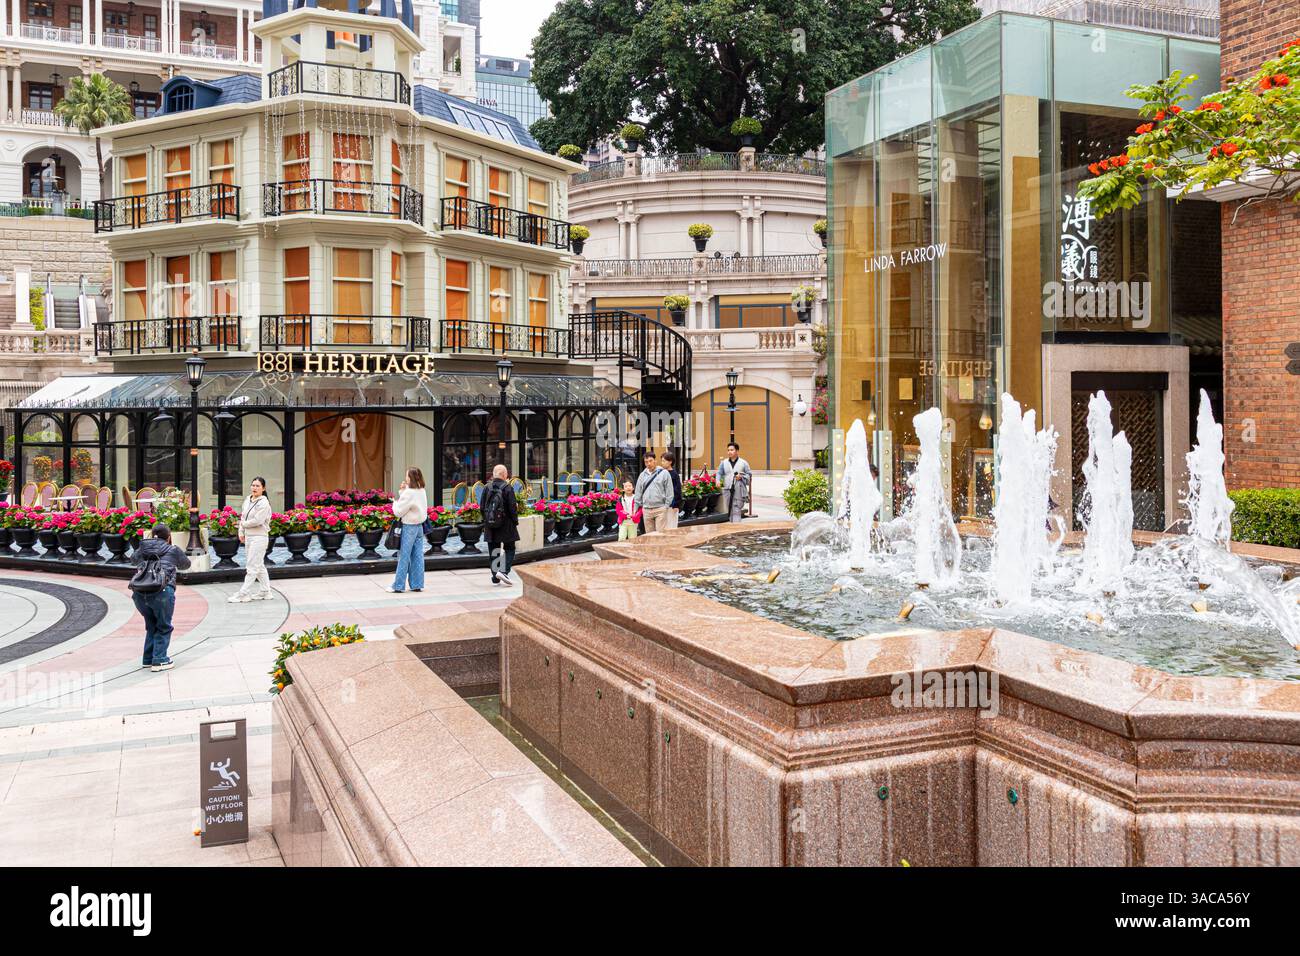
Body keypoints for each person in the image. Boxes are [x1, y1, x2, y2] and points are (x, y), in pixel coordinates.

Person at [132, 523, 191, 672]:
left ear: (152, 535)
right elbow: (186, 565)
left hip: (139, 593)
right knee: (164, 626)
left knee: (151, 625)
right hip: (162, 591)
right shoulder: (172, 549)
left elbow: (133, 560)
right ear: (169, 536)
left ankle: (148, 659)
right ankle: (159, 660)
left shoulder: (142, 549)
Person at [229, 476, 273, 603]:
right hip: (249, 536)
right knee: (258, 565)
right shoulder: (248, 499)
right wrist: (241, 531)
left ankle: (244, 593)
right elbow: (243, 517)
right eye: (253, 485)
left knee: (252, 567)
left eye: (258, 486)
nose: (254, 488)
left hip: (259, 537)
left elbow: (258, 521)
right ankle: (265, 591)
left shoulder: (264, 503)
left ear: (263, 488)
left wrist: (242, 525)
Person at [387, 466, 429, 594]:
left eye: (407, 475)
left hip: (409, 527)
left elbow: (398, 511)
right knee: (417, 556)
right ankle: (417, 584)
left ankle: (398, 585)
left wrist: (394, 502)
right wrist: (403, 492)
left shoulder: (409, 493)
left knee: (404, 556)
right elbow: (412, 502)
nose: (405, 477)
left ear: (410, 478)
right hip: (419, 527)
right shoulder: (422, 490)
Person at [482, 463, 519, 585]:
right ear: (504, 475)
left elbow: (482, 507)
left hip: (490, 524)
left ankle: (495, 576)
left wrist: (488, 520)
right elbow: (512, 508)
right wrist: (515, 521)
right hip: (506, 524)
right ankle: (503, 571)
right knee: (510, 548)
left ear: (493, 475)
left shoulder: (487, 488)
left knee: (494, 549)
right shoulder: (508, 488)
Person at [634, 449, 674, 533]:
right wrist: (635, 509)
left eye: (650, 461)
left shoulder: (664, 473)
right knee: (649, 536)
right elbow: (638, 492)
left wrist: (666, 507)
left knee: (660, 535)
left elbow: (669, 492)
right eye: (646, 462)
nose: (648, 463)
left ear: (655, 461)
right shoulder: (642, 475)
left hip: (660, 509)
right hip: (647, 510)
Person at [718, 442, 752, 523]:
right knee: (730, 510)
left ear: (737, 451)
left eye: (732, 450)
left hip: (738, 490)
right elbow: (719, 473)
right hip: (727, 490)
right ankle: (732, 526)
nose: (729, 452)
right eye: (728, 450)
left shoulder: (743, 463)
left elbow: (749, 475)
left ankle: (736, 527)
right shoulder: (724, 463)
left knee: (736, 509)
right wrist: (718, 480)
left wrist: (741, 477)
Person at [661, 449, 682, 530]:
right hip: (662, 504)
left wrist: (676, 504)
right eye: (661, 461)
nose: (662, 463)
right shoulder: (661, 473)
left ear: (670, 462)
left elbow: (677, 490)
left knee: (671, 525)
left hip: (672, 505)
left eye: (664, 461)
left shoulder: (674, 474)